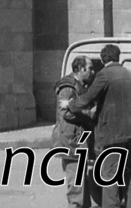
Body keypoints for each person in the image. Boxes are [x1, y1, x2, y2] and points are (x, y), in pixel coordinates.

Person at [66, 44, 131, 208]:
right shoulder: (128, 74)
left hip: (111, 135)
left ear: (103, 59)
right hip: (129, 133)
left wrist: (71, 105)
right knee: (128, 173)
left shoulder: (104, 75)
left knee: (109, 175)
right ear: (117, 56)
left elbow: (87, 97)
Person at [54, 55, 96, 207]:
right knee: (76, 189)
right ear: (80, 69)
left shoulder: (80, 85)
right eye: (90, 69)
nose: (93, 72)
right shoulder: (67, 87)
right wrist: (88, 113)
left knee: (82, 187)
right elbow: (66, 112)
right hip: (72, 142)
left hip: (78, 141)